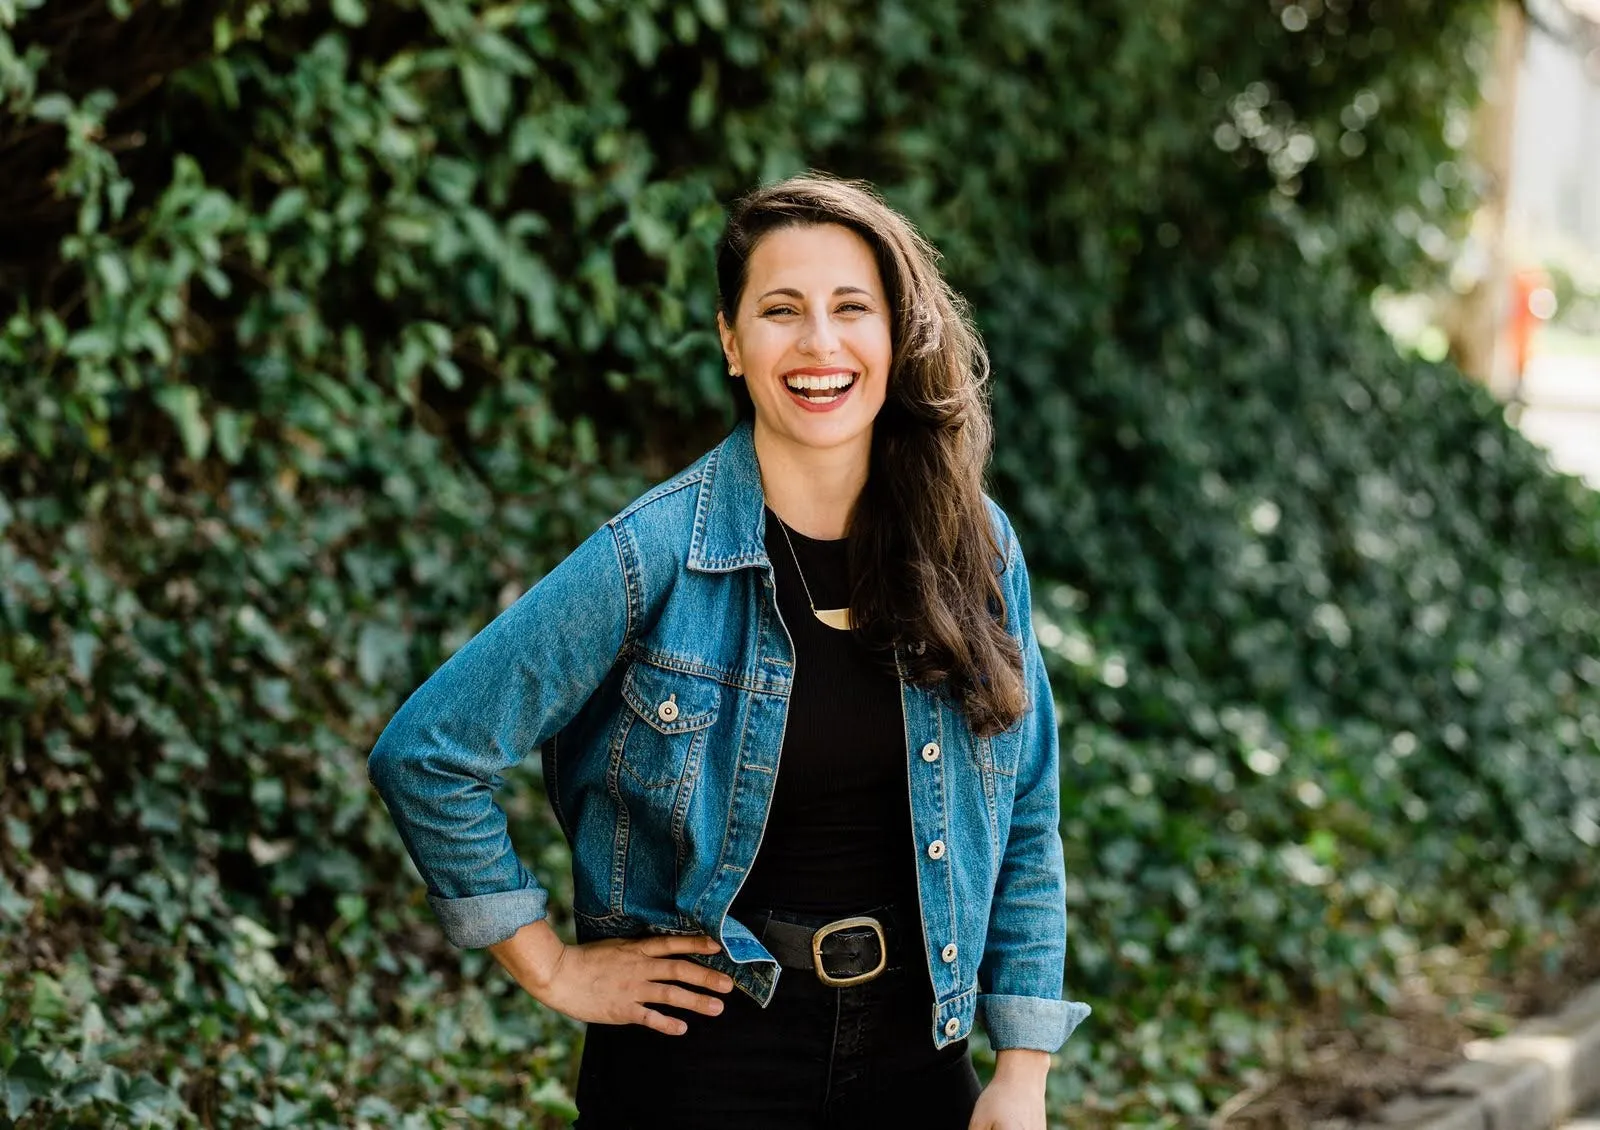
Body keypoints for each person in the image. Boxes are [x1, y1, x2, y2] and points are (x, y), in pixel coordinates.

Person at [367, 172, 1091, 1130]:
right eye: (780, 310)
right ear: (730, 344)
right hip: (702, 1068)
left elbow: (1027, 803)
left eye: (851, 309)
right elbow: (428, 752)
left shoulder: (976, 548)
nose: (820, 344)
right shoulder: (654, 555)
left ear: (896, 335)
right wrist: (547, 964)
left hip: (922, 1060)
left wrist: (1023, 1068)